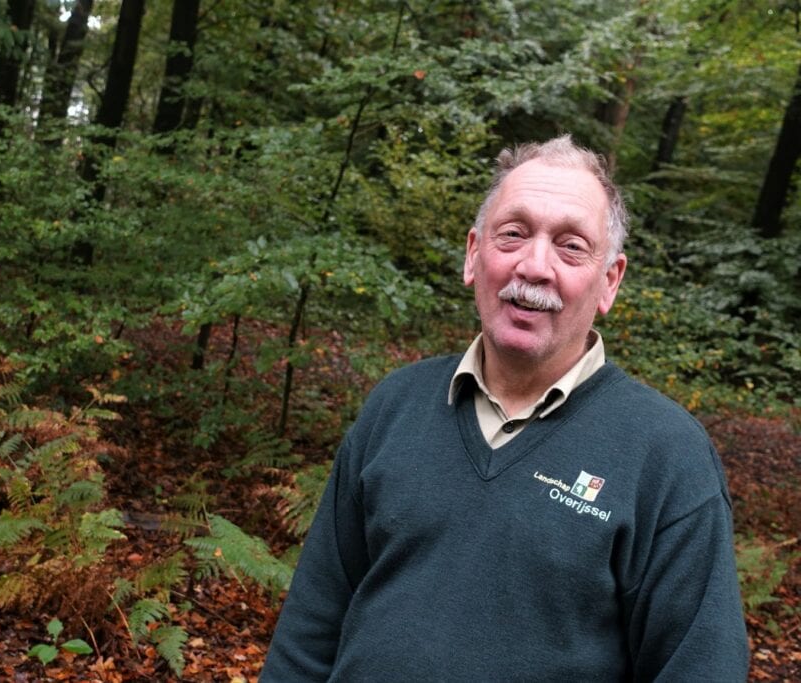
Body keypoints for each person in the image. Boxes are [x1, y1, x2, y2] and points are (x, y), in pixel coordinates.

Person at [261, 135, 750, 681]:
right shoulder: (395, 406)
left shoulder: (668, 456)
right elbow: (311, 625)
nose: (534, 266)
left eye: (571, 246)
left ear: (609, 281)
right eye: (513, 234)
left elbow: (701, 668)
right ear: (474, 254)